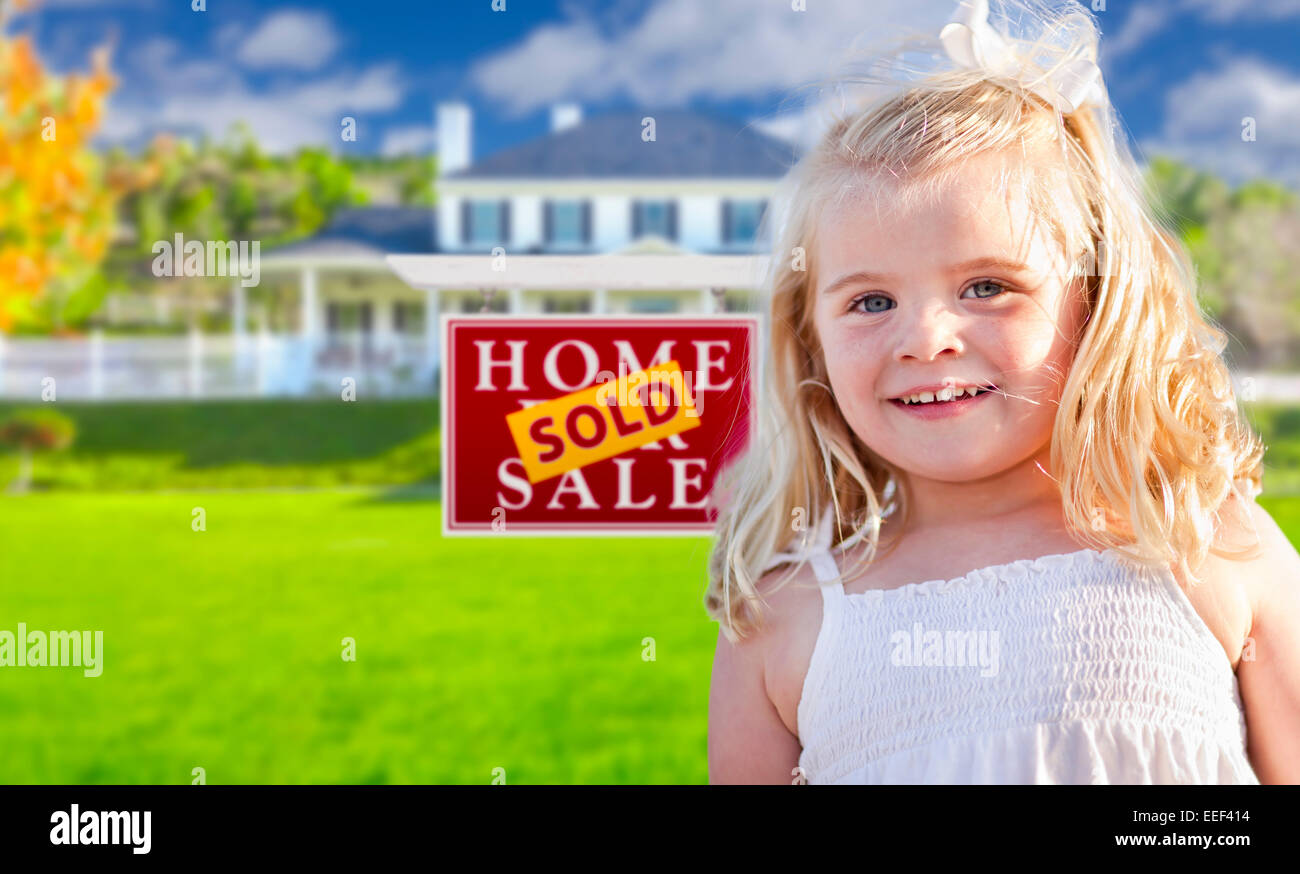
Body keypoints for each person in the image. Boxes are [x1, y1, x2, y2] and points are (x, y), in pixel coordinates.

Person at [705, 0, 1300, 784]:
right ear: (808, 333)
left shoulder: (1209, 544)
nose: (925, 338)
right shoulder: (782, 617)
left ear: (1097, 303)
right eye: (870, 302)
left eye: (987, 286)